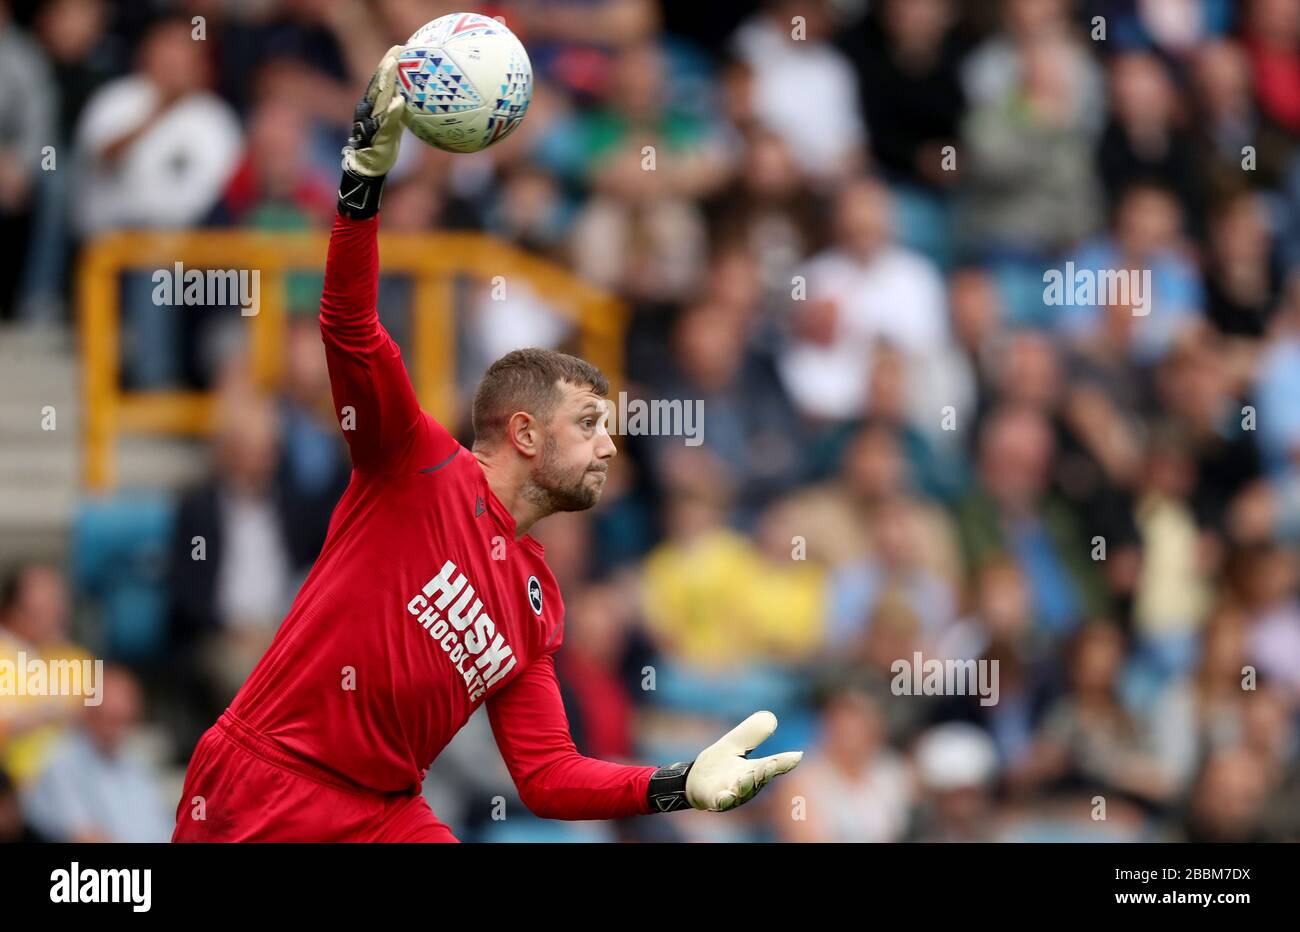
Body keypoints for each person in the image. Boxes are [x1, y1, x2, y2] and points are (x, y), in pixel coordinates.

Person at [172, 47, 801, 842]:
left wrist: (677, 784)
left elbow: (546, 776)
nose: (611, 445)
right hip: (272, 781)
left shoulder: (535, 602)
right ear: (525, 432)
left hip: (385, 812)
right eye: (589, 424)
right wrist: (364, 175)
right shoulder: (415, 463)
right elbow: (349, 327)